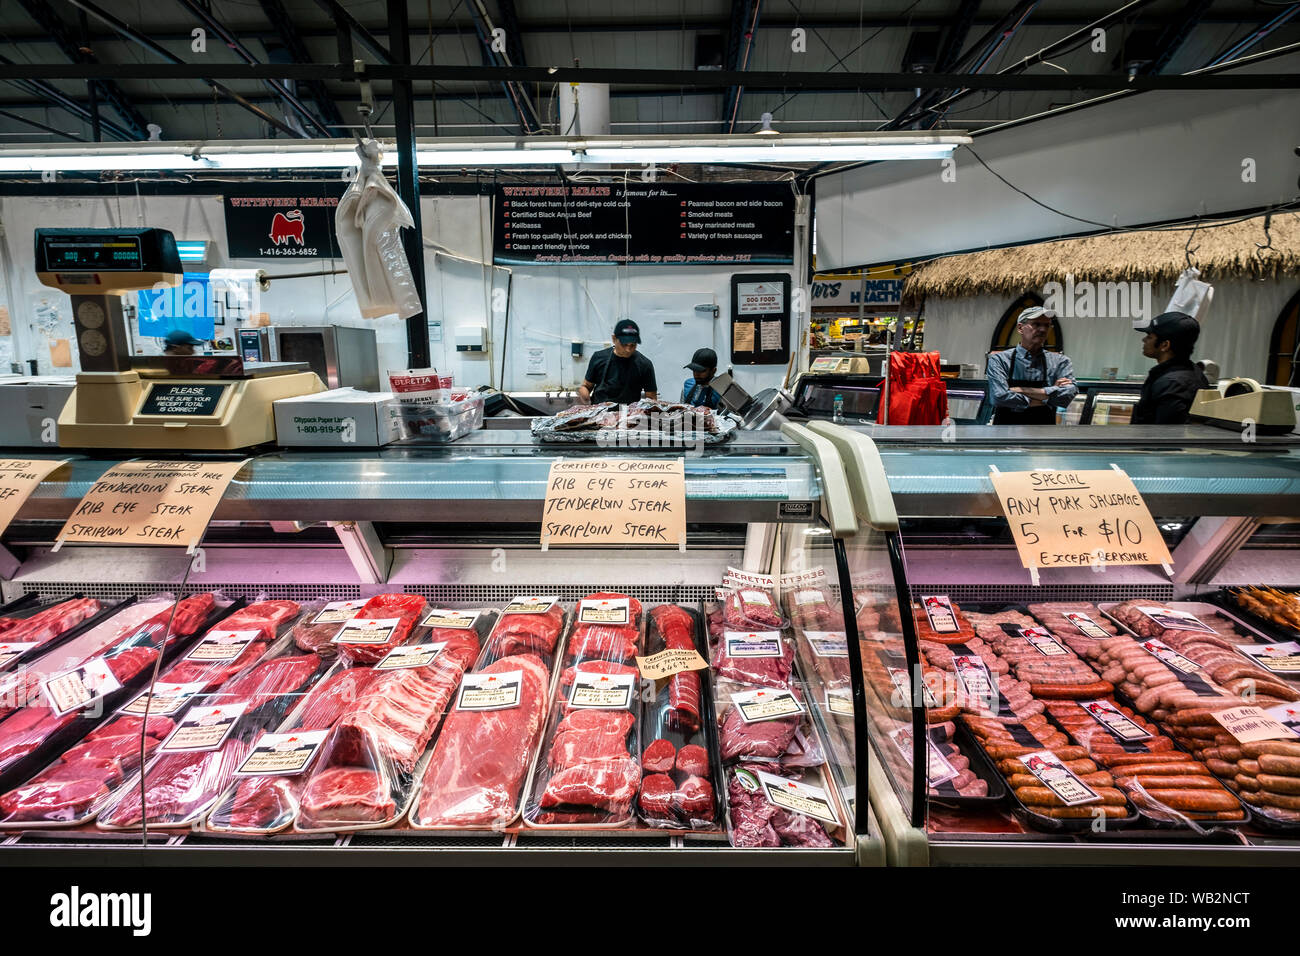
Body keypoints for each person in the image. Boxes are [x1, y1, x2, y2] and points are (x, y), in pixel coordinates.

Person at [984, 306, 1078, 424]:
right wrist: (1047, 397)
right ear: (1020, 328)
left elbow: (1068, 394)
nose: (1043, 330)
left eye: (1047, 325)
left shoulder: (1061, 361)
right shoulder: (999, 360)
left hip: (1043, 435)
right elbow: (999, 397)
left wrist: (1019, 390)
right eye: (1036, 324)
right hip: (1006, 434)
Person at [1131, 312, 1209, 424]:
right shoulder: (1195, 372)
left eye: (1149, 336)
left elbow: (1164, 435)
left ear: (1165, 345)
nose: (1144, 340)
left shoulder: (1170, 384)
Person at [577, 319, 658, 405]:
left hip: (628, 415)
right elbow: (586, 386)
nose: (628, 350)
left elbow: (651, 399)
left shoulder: (645, 365)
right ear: (614, 339)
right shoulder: (598, 358)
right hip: (599, 413)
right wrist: (585, 396)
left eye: (633, 345)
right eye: (624, 344)